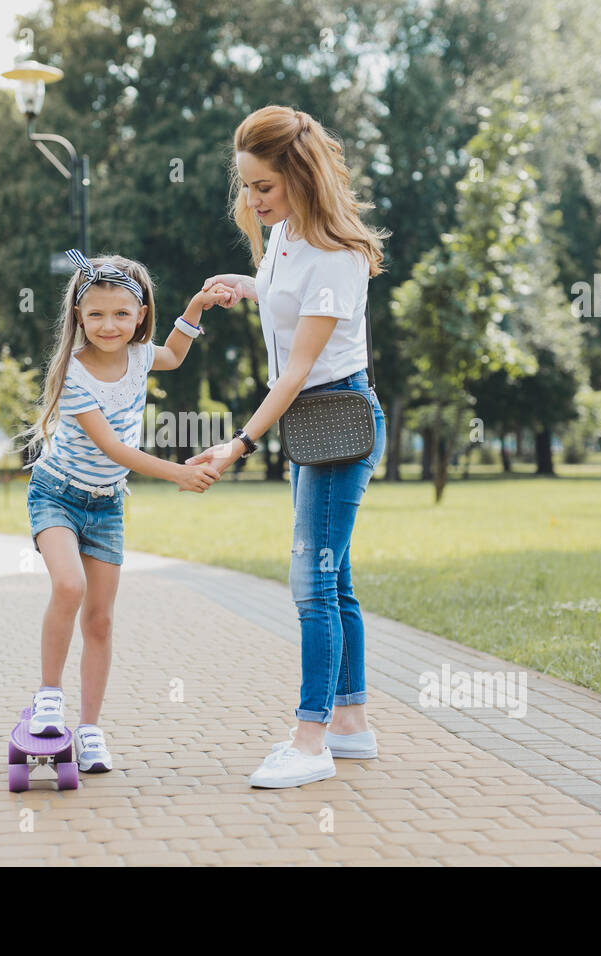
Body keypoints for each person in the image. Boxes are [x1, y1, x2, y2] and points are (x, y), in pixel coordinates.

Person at [191, 105, 390, 788]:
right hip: (311, 420)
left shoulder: (335, 255)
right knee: (335, 579)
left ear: (301, 178)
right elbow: (286, 299)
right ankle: (352, 725)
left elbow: (300, 367)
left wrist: (238, 443)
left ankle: (310, 742)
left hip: (335, 420)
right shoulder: (285, 238)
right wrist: (245, 286)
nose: (252, 199)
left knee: (312, 584)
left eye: (264, 187)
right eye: (245, 186)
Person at [14, 250, 232, 773]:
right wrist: (179, 472)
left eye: (120, 314)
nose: (108, 325)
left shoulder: (139, 357)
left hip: (107, 506)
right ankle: (49, 696)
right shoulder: (75, 373)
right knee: (69, 587)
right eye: (95, 314)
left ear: (140, 316)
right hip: (57, 494)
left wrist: (198, 306)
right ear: (77, 317)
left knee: (101, 620)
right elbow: (115, 449)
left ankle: (89, 730)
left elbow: (176, 355)